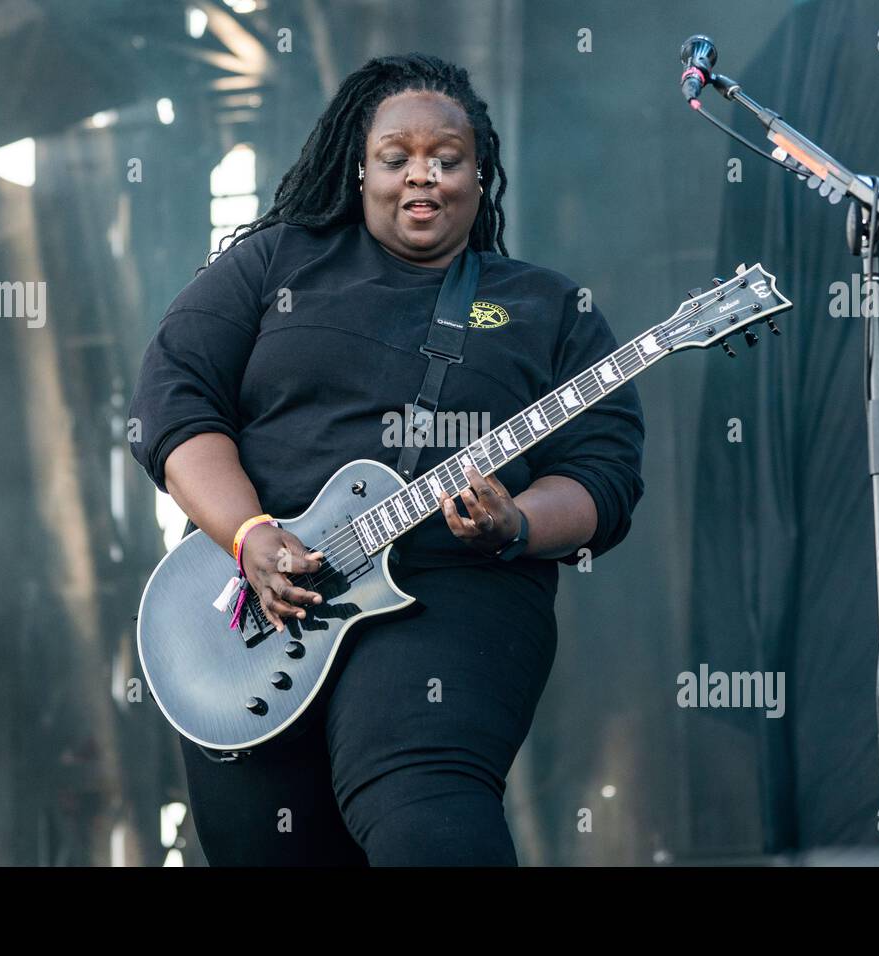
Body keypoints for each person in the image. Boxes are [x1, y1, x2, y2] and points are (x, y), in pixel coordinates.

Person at [128, 52, 645, 866]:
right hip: (257, 603)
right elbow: (174, 397)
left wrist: (517, 522)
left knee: (421, 807)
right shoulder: (276, 264)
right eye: (396, 158)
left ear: (481, 174)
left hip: (454, 592)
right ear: (358, 168)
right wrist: (250, 534)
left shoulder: (548, 309)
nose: (423, 177)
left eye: (448, 159)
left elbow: (604, 474)